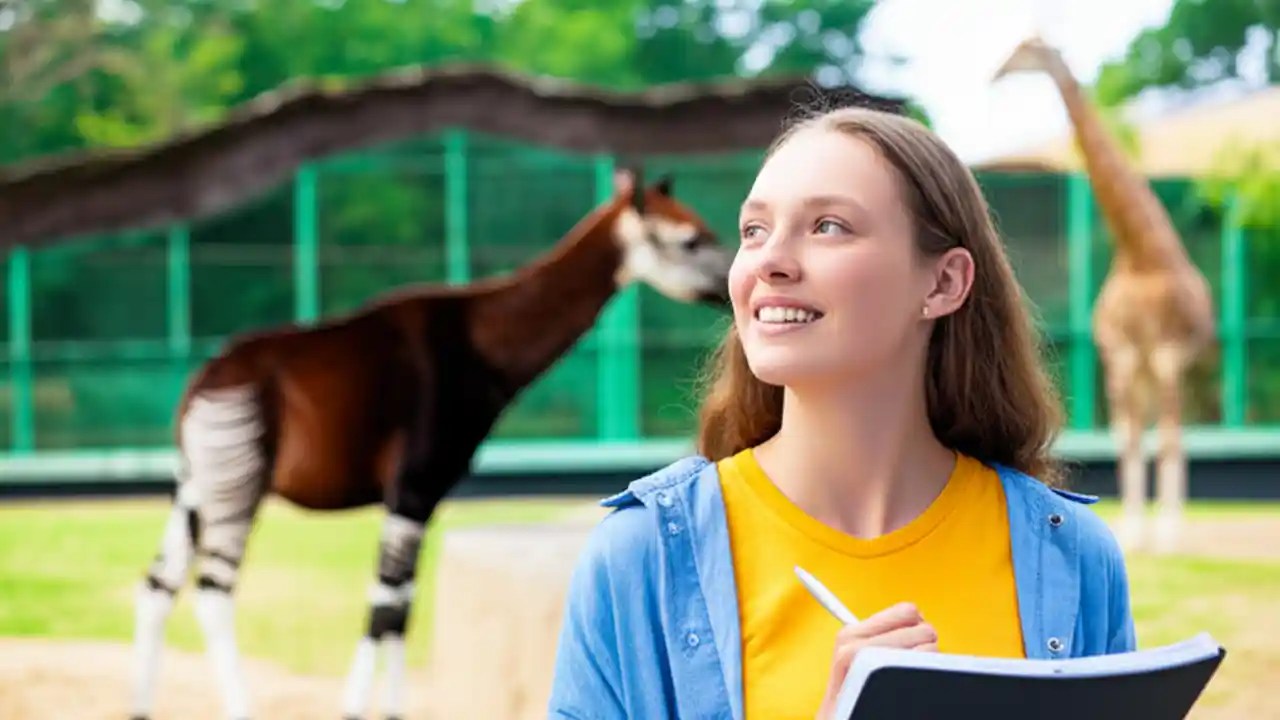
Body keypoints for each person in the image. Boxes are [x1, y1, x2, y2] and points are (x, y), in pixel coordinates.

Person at [546, 104, 1136, 720]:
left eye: (827, 226)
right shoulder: (641, 558)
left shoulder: (1073, 558)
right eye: (754, 231)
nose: (769, 260)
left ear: (942, 284)